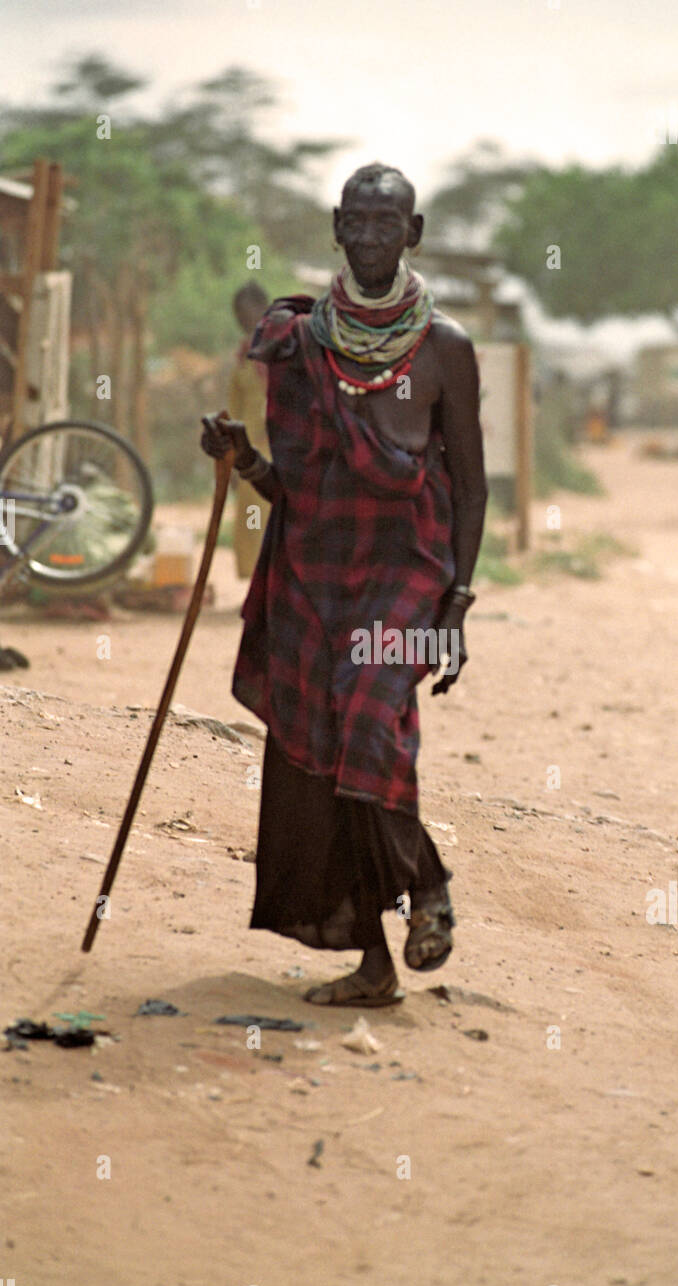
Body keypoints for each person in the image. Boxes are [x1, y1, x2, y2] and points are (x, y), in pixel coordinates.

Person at [201, 162, 488, 1006]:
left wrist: (459, 605)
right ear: (336, 226)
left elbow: (470, 488)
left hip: (407, 576)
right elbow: (295, 487)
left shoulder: (446, 350)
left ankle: (427, 883)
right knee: (322, 762)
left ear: (415, 232)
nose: (368, 237)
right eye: (355, 222)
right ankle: (374, 962)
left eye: (385, 223)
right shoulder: (301, 343)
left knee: (367, 723)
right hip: (313, 575)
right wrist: (241, 457)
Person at [228, 282, 272, 579]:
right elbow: (234, 409)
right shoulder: (242, 357)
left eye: (251, 314)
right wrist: (231, 456)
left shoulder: (283, 348)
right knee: (249, 517)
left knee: (274, 518)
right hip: (248, 446)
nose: (246, 321)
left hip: (278, 444)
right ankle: (256, 583)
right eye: (241, 316)